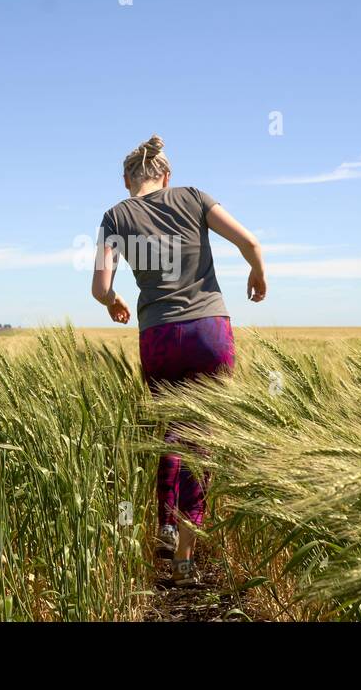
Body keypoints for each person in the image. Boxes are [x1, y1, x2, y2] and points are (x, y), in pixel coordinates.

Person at [91, 134, 267, 586]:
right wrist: (257, 271)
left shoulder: (115, 215)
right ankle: (186, 556)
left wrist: (114, 302)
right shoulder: (193, 197)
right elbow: (250, 242)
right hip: (210, 330)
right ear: (166, 175)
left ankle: (164, 527)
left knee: (170, 432)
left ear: (129, 179)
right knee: (201, 437)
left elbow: (99, 287)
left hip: (159, 335)